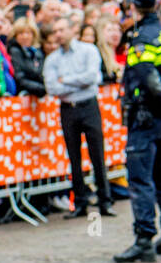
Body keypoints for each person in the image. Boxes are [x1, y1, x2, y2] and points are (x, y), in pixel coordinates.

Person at [113, 0, 161, 263]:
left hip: (144, 117)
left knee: (140, 179)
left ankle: (144, 238)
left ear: (133, 7)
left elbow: (147, 78)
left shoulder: (142, 39)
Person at [43, 15, 114, 219]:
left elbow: (92, 78)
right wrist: (77, 82)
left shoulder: (88, 51)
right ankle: (80, 202)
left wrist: (66, 80)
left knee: (97, 155)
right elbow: (52, 87)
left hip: (89, 105)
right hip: (68, 108)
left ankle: (104, 201)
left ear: (72, 29)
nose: (58, 34)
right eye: (55, 31)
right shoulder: (52, 59)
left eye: (61, 30)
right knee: (74, 156)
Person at [7, 19, 46, 97]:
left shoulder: (37, 51)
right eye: (21, 33)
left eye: (28, 33)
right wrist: (42, 88)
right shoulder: (15, 51)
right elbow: (19, 78)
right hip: (24, 94)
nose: (25, 36)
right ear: (15, 36)